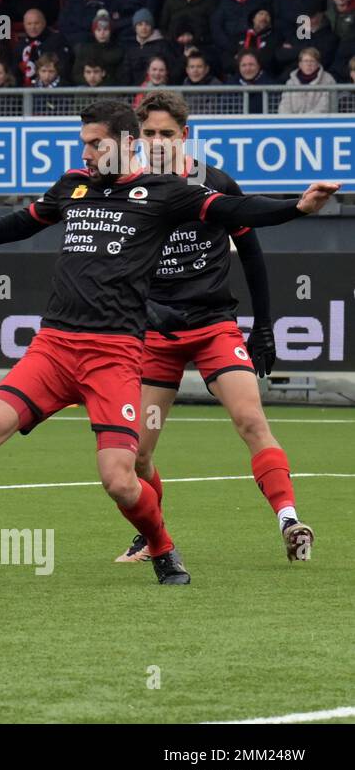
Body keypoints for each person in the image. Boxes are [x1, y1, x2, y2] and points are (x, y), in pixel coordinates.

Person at [0, 100, 340, 585]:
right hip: (54, 346)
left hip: (115, 354)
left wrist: (296, 207)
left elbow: (236, 210)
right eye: (83, 142)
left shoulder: (167, 192)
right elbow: (23, 222)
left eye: (94, 144)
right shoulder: (73, 185)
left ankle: (164, 548)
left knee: (120, 479)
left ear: (125, 143)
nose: (85, 153)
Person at [116, 90, 314, 564]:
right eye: (150, 134)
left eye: (168, 133)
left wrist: (263, 326)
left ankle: (290, 522)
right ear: (138, 139)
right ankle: (151, 536)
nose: (159, 141)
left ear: (185, 136)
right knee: (137, 455)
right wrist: (142, 311)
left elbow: (251, 251)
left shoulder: (215, 182)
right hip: (159, 339)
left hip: (213, 328)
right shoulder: (129, 189)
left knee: (250, 421)